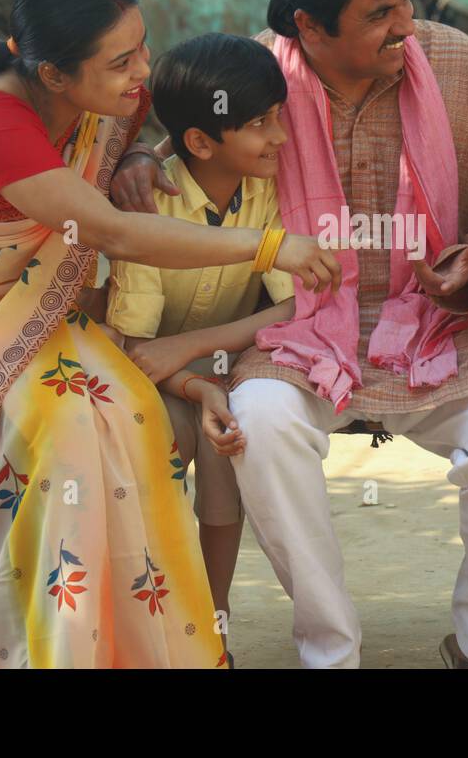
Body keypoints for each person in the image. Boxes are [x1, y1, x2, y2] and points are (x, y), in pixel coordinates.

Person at [0, 0, 341, 668]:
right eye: (121, 61)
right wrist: (271, 245)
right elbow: (111, 233)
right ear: (53, 75)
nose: (143, 71)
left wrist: (138, 154)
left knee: (133, 416)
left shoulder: (114, 105)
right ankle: (29, 645)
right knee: (67, 433)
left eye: (142, 48)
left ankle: (133, 646)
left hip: (41, 314)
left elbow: (111, 177)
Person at [112, 0, 468, 669]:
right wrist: (140, 159)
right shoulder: (250, 76)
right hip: (298, 329)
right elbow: (190, 141)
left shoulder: (458, 67)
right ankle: (329, 649)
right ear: (309, 26)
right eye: (381, 12)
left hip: (440, 331)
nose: (406, 25)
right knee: (262, 421)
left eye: (406, 1)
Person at [102, 33, 296, 652]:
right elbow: (136, 346)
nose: (280, 137)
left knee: (223, 444)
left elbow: (296, 305)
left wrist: (202, 355)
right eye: (260, 124)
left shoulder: (270, 191)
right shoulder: (149, 205)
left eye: (278, 117)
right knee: (163, 438)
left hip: (220, 366)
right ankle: (146, 624)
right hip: (146, 371)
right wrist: (191, 379)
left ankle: (212, 624)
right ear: (199, 142)